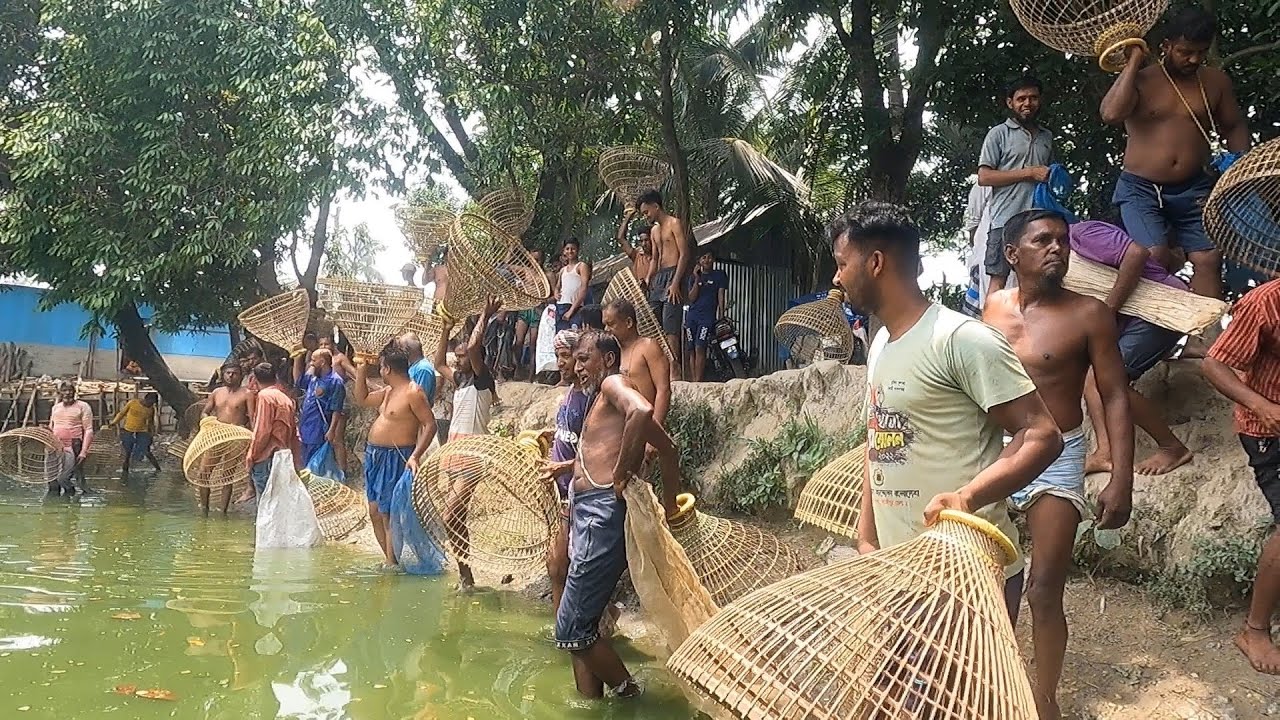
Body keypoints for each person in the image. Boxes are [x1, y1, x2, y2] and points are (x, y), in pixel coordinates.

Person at [835, 201, 1063, 620]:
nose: (837, 277)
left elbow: (1041, 435)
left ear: (876, 263)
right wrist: (867, 537)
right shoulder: (881, 344)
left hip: (969, 573)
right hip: (899, 571)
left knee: (961, 670)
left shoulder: (961, 339)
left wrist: (967, 498)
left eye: (842, 264)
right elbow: (878, 442)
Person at [983, 209, 1135, 719]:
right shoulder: (993, 309)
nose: (1057, 248)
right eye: (1043, 240)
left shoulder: (1090, 314)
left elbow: (1115, 395)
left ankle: (1045, 701)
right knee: (992, 581)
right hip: (1000, 451)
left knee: (1044, 589)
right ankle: (994, 685)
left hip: (1060, 453)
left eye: (1062, 241)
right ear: (1012, 254)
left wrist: (1121, 477)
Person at [556, 330, 680, 699]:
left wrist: (623, 472)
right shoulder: (602, 397)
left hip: (600, 514)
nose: (578, 367)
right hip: (591, 512)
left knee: (570, 630)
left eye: (584, 358)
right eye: (576, 359)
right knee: (585, 626)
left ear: (608, 360)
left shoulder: (614, 383)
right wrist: (671, 507)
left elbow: (641, 411)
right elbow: (668, 448)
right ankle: (591, 704)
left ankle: (629, 695)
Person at [1101, 6, 1249, 300]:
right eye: (1185, 52)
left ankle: (1205, 330)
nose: (1193, 59)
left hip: (1195, 185)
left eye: (1201, 52)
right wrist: (1134, 62)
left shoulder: (1215, 82)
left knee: (1208, 258)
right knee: (1154, 255)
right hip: (1141, 187)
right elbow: (1110, 114)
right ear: (1166, 46)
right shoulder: (1140, 80)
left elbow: (1234, 126)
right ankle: (1155, 317)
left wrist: (1239, 164)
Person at [1072, 220, 1196, 476]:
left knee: (1104, 379)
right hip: (1134, 318)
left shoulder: (1083, 233)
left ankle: (1172, 447)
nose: (1049, 247)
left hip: (1161, 307)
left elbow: (1136, 254)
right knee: (1091, 377)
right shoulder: (1052, 267)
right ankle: (1105, 453)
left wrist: (1109, 310)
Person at [1201, 280, 1280, 675]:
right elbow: (1213, 364)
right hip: (1270, 428)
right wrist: (1261, 405)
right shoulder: (1266, 302)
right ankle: (1255, 630)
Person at [434, 298, 500, 589]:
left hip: (473, 453)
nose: (457, 360)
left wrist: (484, 315)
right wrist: (445, 328)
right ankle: (465, 575)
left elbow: (474, 347)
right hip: (454, 450)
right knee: (456, 517)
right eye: (457, 356)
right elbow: (438, 363)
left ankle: (466, 574)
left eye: (461, 357)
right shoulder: (461, 380)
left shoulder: (483, 380)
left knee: (450, 513)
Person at [352, 346, 437, 569]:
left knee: (388, 513)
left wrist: (416, 455)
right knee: (374, 511)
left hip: (395, 456)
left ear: (387, 369)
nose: (380, 371)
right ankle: (391, 560)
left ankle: (392, 565)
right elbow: (362, 398)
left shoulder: (413, 392)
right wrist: (361, 369)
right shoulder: (389, 391)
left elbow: (430, 424)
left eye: (381, 367)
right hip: (375, 455)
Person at [978, 76, 1054, 296]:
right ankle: (991, 321)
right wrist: (1029, 172)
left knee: (1038, 282)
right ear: (1010, 103)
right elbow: (984, 177)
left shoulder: (1047, 137)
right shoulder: (998, 133)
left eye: (1033, 98)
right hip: (1004, 221)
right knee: (997, 284)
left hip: (1037, 223)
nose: (1027, 103)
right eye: (1021, 99)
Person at [543, 330, 589, 613]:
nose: (560, 362)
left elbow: (594, 452)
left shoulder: (590, 399)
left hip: (578, 492)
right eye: (557, 356)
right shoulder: (570, 393)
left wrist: (562, 466)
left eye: (565, 356)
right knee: (557, 566)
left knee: (561, 565)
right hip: (559, 491)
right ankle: (563, 624)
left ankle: (567, 626)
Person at [639, 189, 690, 380]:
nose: (646, 216)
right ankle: (659, 369)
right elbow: (655, 259)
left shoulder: (674, 223)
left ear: (656, 206)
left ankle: (674, 370)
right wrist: (648, 279)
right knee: (653, 323)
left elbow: (684, 254)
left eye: (646, 212)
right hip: (659, 278)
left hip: (674, 273)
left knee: (670, 325)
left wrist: (676, 283)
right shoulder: (654, 231)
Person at [601, 299, 671, 427]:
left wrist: (655, 428)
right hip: (620, 427)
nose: (607, 329)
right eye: (605, 325)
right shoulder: (612, 353)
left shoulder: (648, 347)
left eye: (611, 324)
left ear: (628, 322)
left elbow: (663, 390)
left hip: (645, 425)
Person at [243, 363, 301, 504]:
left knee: (265, 503)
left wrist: (252, 455)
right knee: (278, 502)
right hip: (282, 455)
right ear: (275, 377)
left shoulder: (265, 396)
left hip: (267, 456)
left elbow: (262, 431)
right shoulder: (284, 397)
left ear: (255, 379)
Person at [202, 363, 253, 513]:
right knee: (204, 473)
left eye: (234, 373)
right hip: (217, 435)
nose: (230, 376)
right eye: (228, 373)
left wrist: (252, 438)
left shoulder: (247, 394)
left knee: (227, 475)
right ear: (223, 375)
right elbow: (205, 412)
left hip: (236, 437)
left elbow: (252, 418)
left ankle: (222, 511)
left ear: (241, 376)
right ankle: (204, 510)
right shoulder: (216, 392)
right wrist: (207, 421)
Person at [293, 348, 346, 467]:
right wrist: (297, 358)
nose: (311, 363)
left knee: (316, 464)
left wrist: (332, 430)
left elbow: (336, 408)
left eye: (314, 360)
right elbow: (299, 383)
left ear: (322, 362)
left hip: (318, 428)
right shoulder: (314, 378)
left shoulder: (335, 381)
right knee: (305, 461)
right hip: (306, 426)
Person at [683, 251, 729, 382]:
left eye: (709, 257)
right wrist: (697, 279)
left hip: (707, 317)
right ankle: (693, 381)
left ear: (713, 260)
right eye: (704, 257)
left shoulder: (719, 275)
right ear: (699, 261)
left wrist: (721, 315)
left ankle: (698, 380)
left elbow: (721, 296)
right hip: (692, 317)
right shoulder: (693, 277)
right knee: (691, 348)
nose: (707, 260)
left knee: (700, 346)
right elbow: (692, 298)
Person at [48, 382, 94, 496]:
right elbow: (51, 427)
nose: (67, 393)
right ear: (60, 393)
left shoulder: (83, 406)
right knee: (52, 481)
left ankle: (71, 496)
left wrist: (83, 452)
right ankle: (54, 505)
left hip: (73, 445)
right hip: (55, 445)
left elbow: (88, 430)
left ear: (74, 392)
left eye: (70, 390)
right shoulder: (56, 407)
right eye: (64, 390)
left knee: (63, 478)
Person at [104, 392, 161, 477]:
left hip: (142, 432)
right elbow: (122, 413)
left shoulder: (151, 409)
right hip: (128, 431)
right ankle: (125, 473)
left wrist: (151, 434)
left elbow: (150, 423)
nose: (150, 404)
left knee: (147, 451)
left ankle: (158, 470)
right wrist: (114, 423)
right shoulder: (133, 403)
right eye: (150, 402)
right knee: (127, 454)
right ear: (146, 399)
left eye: (153, 403)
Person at [556, 239, 590, 332]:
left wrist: (571, 310)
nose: (570, 251)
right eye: (567, 249)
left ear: (578, 250)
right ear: (564, 251)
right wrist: (556, 293)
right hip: (561, 306)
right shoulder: (563, 270)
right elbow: (558, 286)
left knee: (575, 335)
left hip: (575, 306)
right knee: (561, 335)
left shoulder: (581, 266)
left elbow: (584, 288)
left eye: (573, 249)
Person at [615, 208, 654, 286]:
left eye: (646, 240)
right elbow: (621, 238)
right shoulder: (637, 256)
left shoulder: (659, 257)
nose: (644, 244)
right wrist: (629, 216)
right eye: (641, 241)